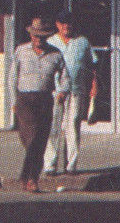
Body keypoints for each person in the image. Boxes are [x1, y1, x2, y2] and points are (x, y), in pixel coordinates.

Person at [8, 19, 66, 193]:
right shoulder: (21, 51)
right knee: (32, 138)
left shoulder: (55, 54)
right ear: (30, 35)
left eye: (42, 36)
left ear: (47, 37)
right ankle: (29, 177)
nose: (38, 39)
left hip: (45, 99)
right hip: (25, 100)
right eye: (35, 36)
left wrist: (62, 90)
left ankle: (30, 178)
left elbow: (65, 75)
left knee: (40, 141)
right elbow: (12, 78)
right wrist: (13, 102)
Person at [44, 13, 99, 176]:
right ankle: (50, 165)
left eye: (69, 23)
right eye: (62, 23)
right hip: (55, 91)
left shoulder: (83, 42)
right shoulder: (50, 42)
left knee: (73, 127)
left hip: (76, 90)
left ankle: (71, 165)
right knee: (53, 127)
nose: (66, 26)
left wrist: (94, 86)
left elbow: (93, 65)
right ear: (57, 24)